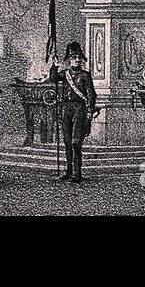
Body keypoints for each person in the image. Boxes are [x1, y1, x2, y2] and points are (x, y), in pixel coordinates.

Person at [51, 41, 98, 182]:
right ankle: (69, 171)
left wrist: (89, 111)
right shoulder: (65, 74)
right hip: (66, 109)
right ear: (69, 60)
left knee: (76, 141)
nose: (77, 60)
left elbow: (91, 95)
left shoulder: (85, 75)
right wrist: (54, 65)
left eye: (78, 57)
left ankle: (77, 173)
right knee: (67, 141)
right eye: (73, 58)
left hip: (79, 109)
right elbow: (53, 78)